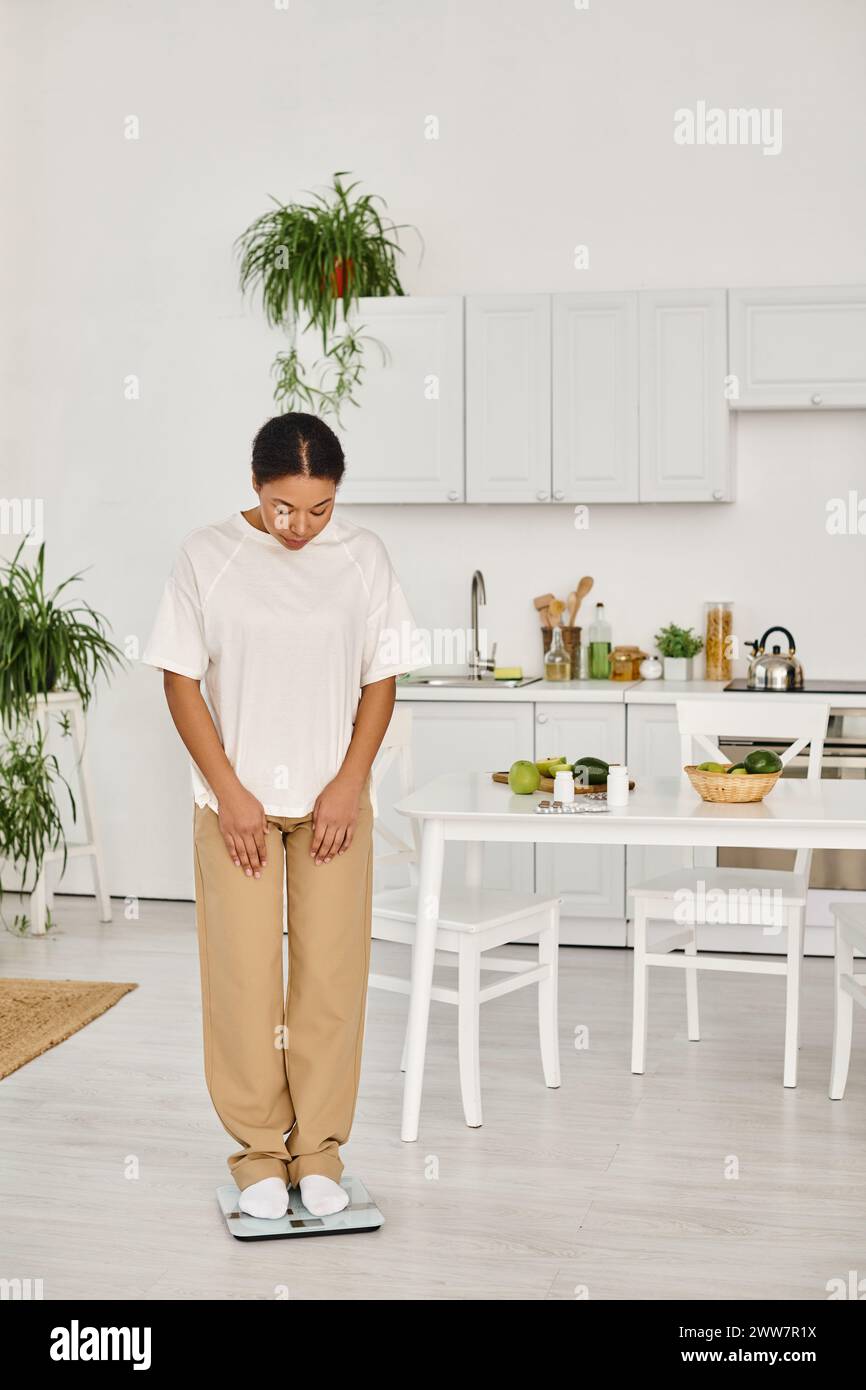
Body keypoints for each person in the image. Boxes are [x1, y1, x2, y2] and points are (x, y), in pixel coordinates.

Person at [141, 412, 424, 1218]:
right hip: (238, 809)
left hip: (335, 805)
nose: (300, 526)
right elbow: (179, 680)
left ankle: (321, 1151)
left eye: (320, 508)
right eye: (282, 508)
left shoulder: (364, 559)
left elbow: (382, 679)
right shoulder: (207, 555)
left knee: (331, 981)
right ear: (255, 488)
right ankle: (260, 1155)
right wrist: (229, 791)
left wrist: (350, 782)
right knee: (244, 983)